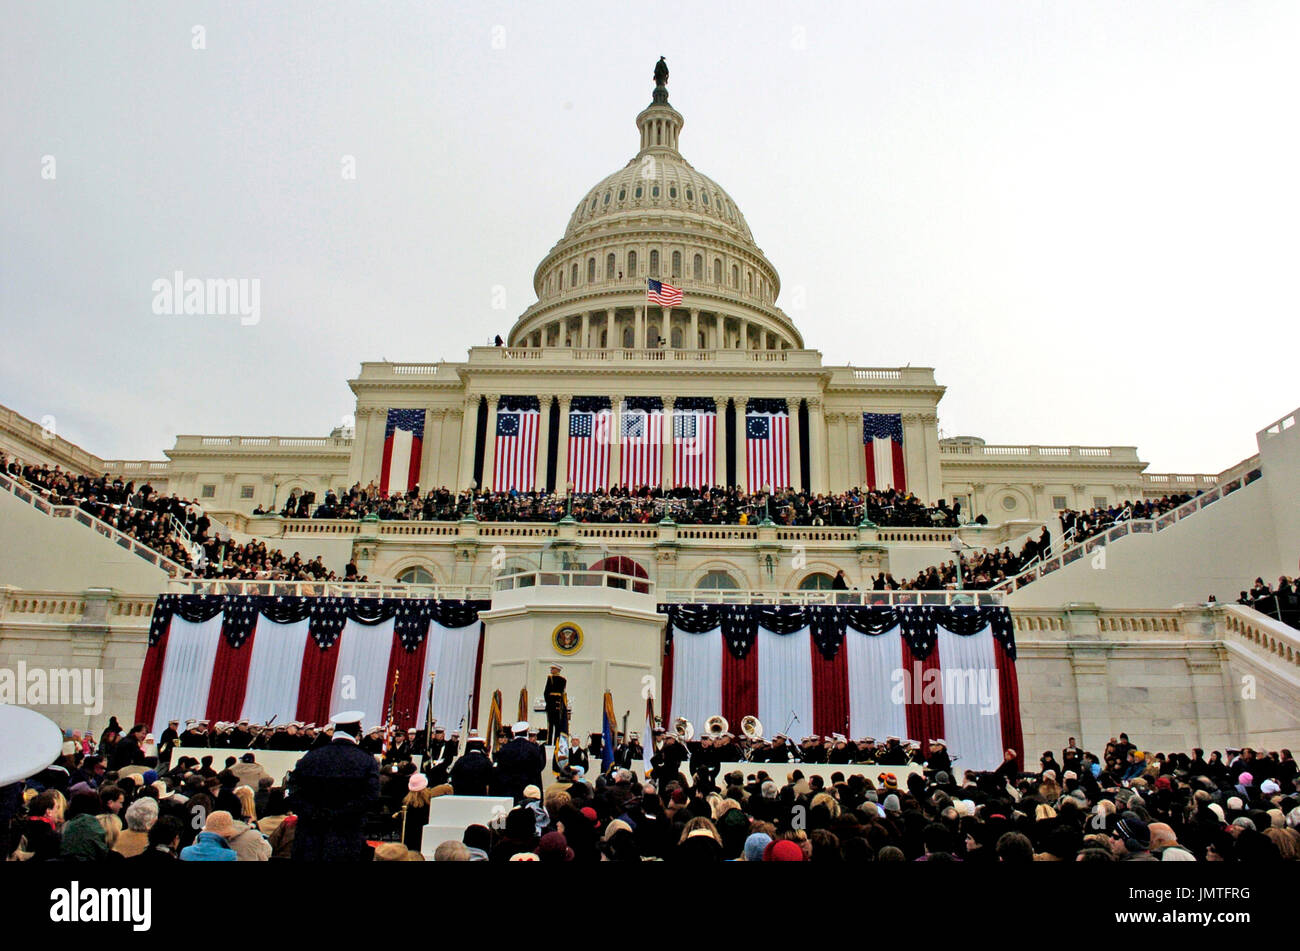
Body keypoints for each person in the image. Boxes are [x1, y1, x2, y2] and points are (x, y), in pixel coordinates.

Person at [287, 711, 380, 861]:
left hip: (310, 834)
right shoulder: (365, 760)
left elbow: (292, 791)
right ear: (357, 732)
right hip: (347, 834)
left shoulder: (311, 756)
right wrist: (339, 814)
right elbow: (371, 796)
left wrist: (314, 813)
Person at [494, 721, 546, 802]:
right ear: (527, 732)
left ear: (514, 733)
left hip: (510, 790)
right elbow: (539, 767)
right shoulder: (534, 749)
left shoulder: (505, 749)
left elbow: (500, 770)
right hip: (529, 791)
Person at [544, 665, 569, 743]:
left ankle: (551, 741)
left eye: (553, 669)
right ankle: (556, 741)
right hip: (558, 706)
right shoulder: (563, 680)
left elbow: (546, 692)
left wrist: (548, 702)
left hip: (552, 705)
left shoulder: (550, 679)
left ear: (557, 670)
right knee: (556, 725)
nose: (551, 670)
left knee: (552, 725)